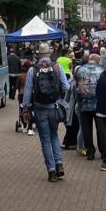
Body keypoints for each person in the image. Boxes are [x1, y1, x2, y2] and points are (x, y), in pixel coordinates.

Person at [22, 43, 70, 182]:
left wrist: (25, 107)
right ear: (49, 53)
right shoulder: (57, 67)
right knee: (54, 136)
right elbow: (66, 86)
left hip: (39, 108)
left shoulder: (33, 69)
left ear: (38, 54)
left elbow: (28, 90)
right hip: (54, 107)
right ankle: (59, 163)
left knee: (45, 140)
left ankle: (51, 171)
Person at [75, 54, 104, 160]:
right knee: (100, 129)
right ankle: (102, 150)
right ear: (97, 60)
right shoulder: (101, 70)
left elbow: (77, 87)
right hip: (98, 104)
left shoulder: (80, 70)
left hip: (83, 104)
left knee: (86, 130)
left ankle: (90, 152)